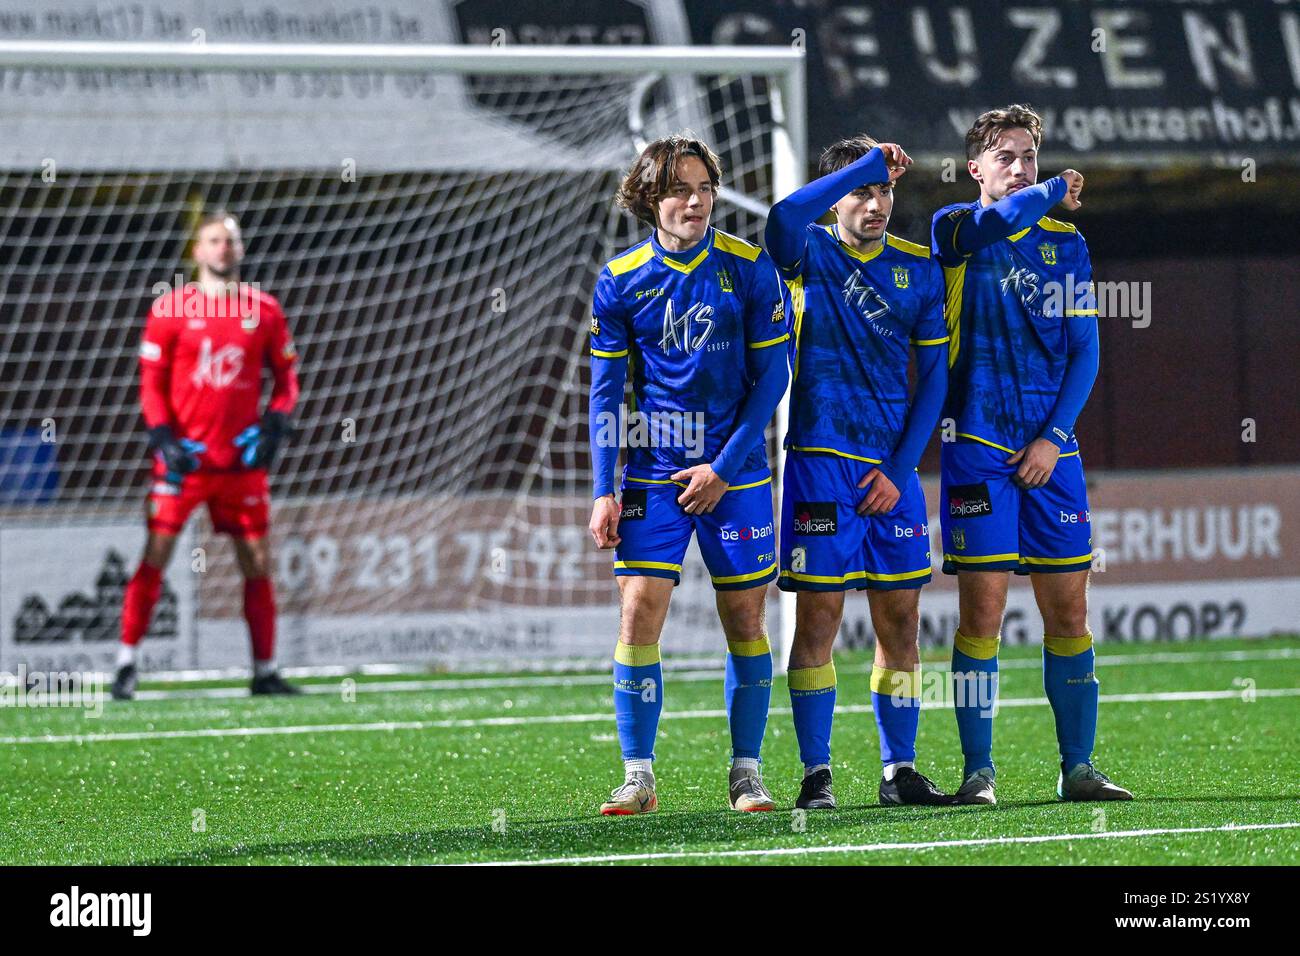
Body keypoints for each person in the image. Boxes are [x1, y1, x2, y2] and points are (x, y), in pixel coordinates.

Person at [930, 105, 1132, 803]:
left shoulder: (1067, 246)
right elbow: (996, 221)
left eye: (1029, 157)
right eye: (1005, 157)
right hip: (978, 449)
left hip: (1053, 453)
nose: (1020, 168)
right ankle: (978, 771)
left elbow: (1085, 352)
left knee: (1069, 615)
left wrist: (1053, 437)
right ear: (975, 168)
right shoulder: (954, 230)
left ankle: (1077, 766)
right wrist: (1050, 190)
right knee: (981, 614)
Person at [588, 135, 791, 814]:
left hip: (738, 472)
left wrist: (725, 468)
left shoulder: (748, 266)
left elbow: (775, 377)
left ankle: (746, 771)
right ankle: (638, 776)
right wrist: (602, 489)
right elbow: (605, 395)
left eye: (705, 187)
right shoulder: (620, 279)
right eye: (680, 189)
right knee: (639, 612)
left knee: (744, 617)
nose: (697, 201)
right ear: (651, 198)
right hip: (655, 474)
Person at [765, 136, 952, 810]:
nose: (877, 203)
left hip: (890, 477)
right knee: (817, 621)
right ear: (835, 194)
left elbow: (933, 379)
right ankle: (817, 774)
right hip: (818, 467)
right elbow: (783, 217)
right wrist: (864, 163)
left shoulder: (918, 270)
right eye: (862, 190)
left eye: (884, 190)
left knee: (900, 623)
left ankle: (899, 771)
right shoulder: (806, 251)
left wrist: (901, 470)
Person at [113, 211, 300, 700]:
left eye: (231, 241)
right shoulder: (170, 310)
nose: (224, 249)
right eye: (214, 240)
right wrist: (163, 438)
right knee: (155, 555)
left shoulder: (264, 310)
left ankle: (264, 670)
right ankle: (126, 665)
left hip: (240, 465)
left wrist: (275, 425)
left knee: (257, 562)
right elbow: (150, 386)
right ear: (196, 251)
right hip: (185, 463)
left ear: (241, 250)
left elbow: (287, 382)